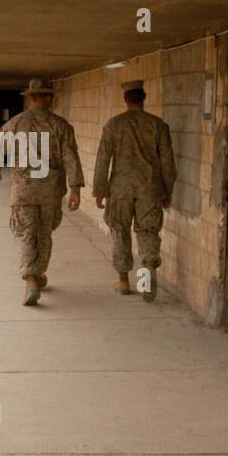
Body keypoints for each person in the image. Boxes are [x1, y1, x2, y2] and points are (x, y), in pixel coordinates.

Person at [0, 78, 84, 305]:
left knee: (25, 232)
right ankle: (37, 274)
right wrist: (75, 188)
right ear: (49, 98)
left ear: (31, 97)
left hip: (24, 191)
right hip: (50, 191)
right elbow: (71, 158)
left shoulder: (16, 123)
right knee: (44, 233)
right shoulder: (61, 125)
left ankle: (31, 278)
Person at [92, 80, 176, 302]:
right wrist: (167, 190)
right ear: (144, 97)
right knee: (148, 232)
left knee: (119, 232)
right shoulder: (158, 125)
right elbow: (168, 163)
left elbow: (103, 159)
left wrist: (100, 190)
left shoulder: (113, 125)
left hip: (120, 189)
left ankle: (123, 281)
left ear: (125, 99)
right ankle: (146, 277)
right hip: (149, 189)